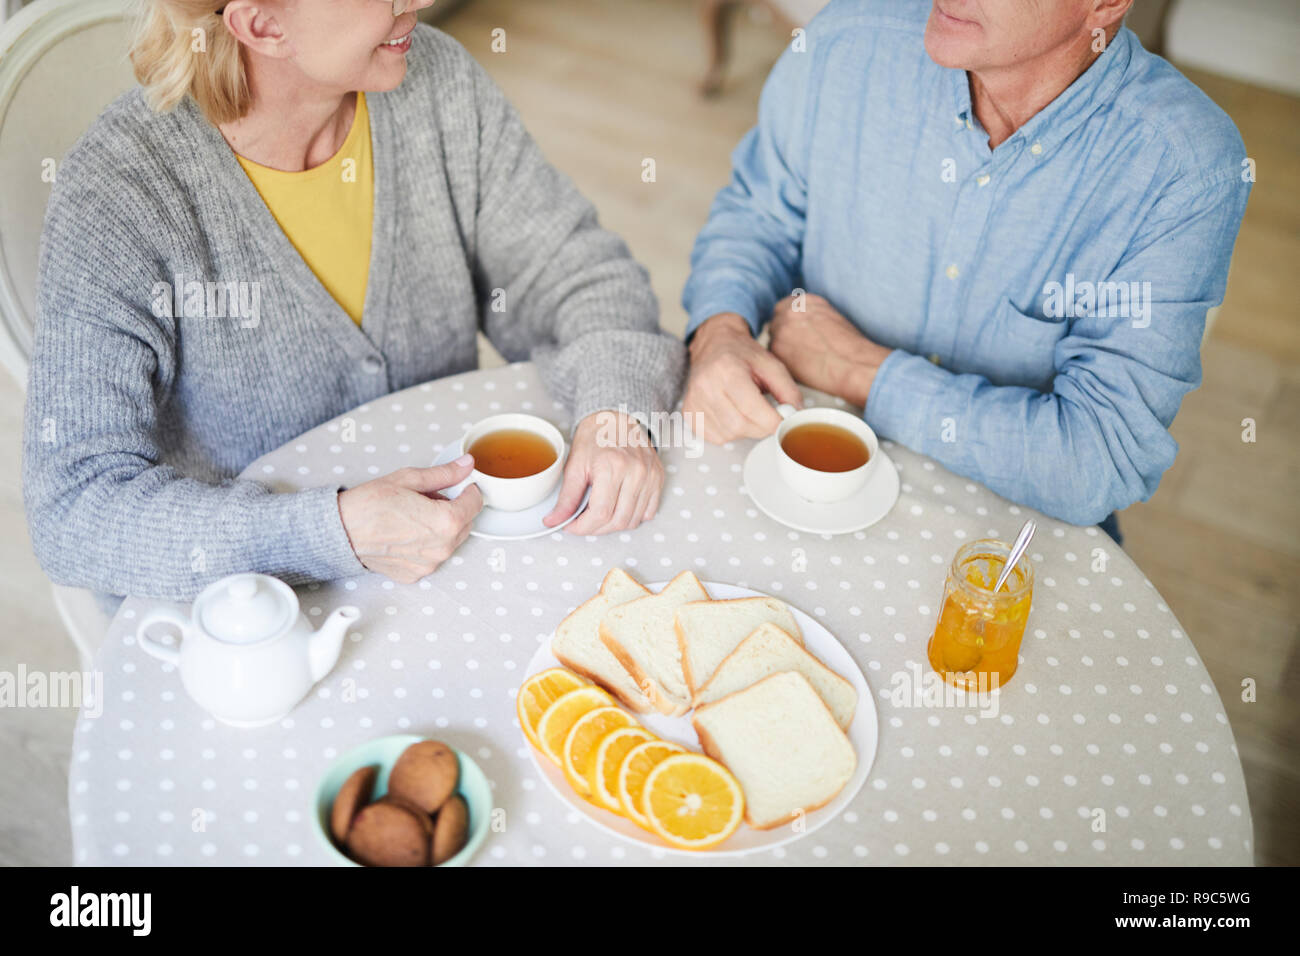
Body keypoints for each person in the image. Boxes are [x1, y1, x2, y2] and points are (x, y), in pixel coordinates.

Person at [22, 0, 685, 602]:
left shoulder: (437, 82)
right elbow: (75, 509)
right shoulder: (119, 194)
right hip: (253, 619)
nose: (421, 2)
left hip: (453, 563)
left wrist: (614, 409)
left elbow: (576, 274)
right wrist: (329, 532)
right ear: (262, 25)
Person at [681, 0, 1250, 538]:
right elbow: (756, 214)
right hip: (802, 465)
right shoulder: (841, 42)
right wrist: (720, 331)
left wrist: (861, 370)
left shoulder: (1185, 165)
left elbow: (1096, 456)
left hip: (1005, 541)